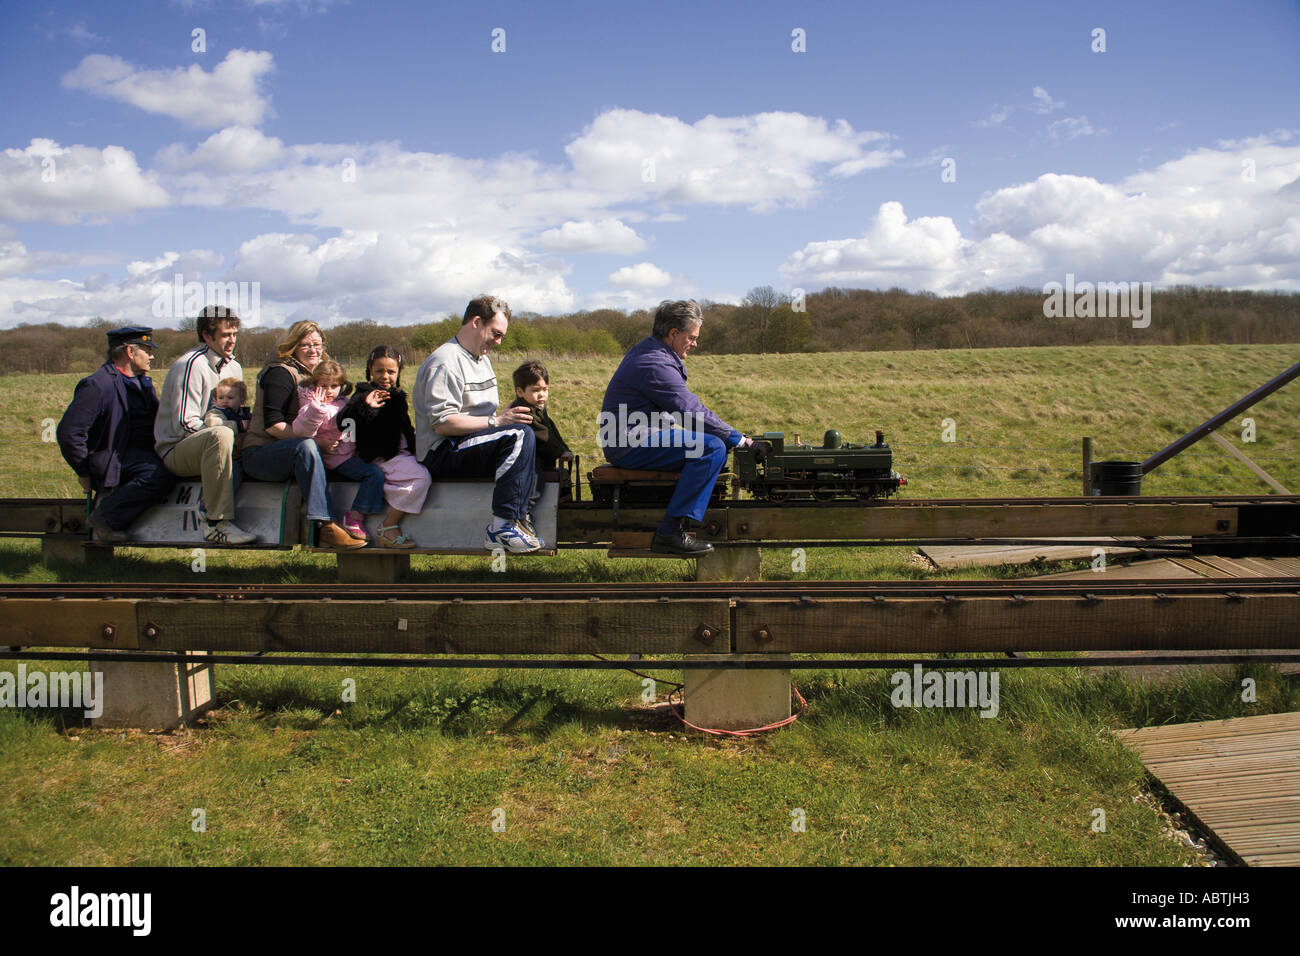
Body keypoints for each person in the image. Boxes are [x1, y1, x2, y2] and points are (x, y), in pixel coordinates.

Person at [598, 299, 752, 555]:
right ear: (673, 333)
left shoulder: (652, 352)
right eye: (691, 337)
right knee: (711, 447)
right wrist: (738, 439)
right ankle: (669, 533)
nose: (695, 343)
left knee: (714, 444)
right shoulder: (654, 363)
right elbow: (690, 410)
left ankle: (684, 517)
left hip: (638, 436)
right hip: (629, 442)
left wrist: (730, 437)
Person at [413, 294, 540, 553]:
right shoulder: (445, 361)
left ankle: (521, 519)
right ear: (476, 322)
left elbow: (484, 415)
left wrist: (506, 416)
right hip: (443, 449)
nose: (499, 341)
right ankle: (502, 527)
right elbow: (443, 423)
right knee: (518, 435)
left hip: (469, 440)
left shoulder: (482, 359)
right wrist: (497, 422)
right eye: (496, 333)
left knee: (530, 431)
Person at [240, 321, 365, 550]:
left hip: (298, 450)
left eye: (317, 344)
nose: (313, 350)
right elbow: (273, 426)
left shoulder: (316, 375)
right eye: (305, 345)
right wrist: (316, 443)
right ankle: (324, 526)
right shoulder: (280, 373)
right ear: (293, 346)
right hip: (262, 453)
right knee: (306, 447)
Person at [56, 326, 175, 543]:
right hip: (114, 458)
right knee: (158, 476)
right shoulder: (98, 385)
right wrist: (84, 472)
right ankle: (105, 518)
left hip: (140, 453)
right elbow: (69, 433)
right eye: (147, 350)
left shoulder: (142, 383)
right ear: (130, 352)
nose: (151, 355)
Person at [154, 305, 256, 545]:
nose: (231, 341)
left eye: (234, 334)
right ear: (207, 336)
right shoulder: (190, 365)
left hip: (218, 445)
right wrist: (230, 434)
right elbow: (185, 423)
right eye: (225, 335)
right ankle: (216, 524)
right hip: (177, 449)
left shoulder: (234, 366)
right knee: (220, 434)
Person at [340, 346, 432, 549]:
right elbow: (345, 424)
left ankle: (387, 491)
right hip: (379, 457)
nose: (385, 376)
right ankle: (388, 526)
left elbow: (405, 427)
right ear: (370, 370)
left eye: (391, 371)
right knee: (421, 478)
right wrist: (365, 407)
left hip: (400, 454)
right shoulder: (362, 395)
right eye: (379, 371)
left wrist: (417, 447)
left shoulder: (397, 397)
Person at [290, 358, 386, 542]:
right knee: (374, 474)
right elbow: (301, 430)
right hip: (333, 459)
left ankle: (358, 513)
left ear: (342, 386)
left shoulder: (344, 403)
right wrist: (316, 409)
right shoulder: (311, 404)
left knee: (378, 472)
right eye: (323, 385)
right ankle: (354, 517)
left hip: (347, 454)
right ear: (314, 384)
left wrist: (364, 409)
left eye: (333, 386)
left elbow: (351, 431)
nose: (328, 391)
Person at [509, 361, 573, 469]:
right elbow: (542, 436)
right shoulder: (523, 414)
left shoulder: (537, 409)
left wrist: (565, 449)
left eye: (545, 389)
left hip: (541, 462)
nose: (542, 394)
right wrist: (561, 452)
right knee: (536, 482)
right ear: (520, 392)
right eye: (536, 390)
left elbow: (552, 431)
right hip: (529, 465)